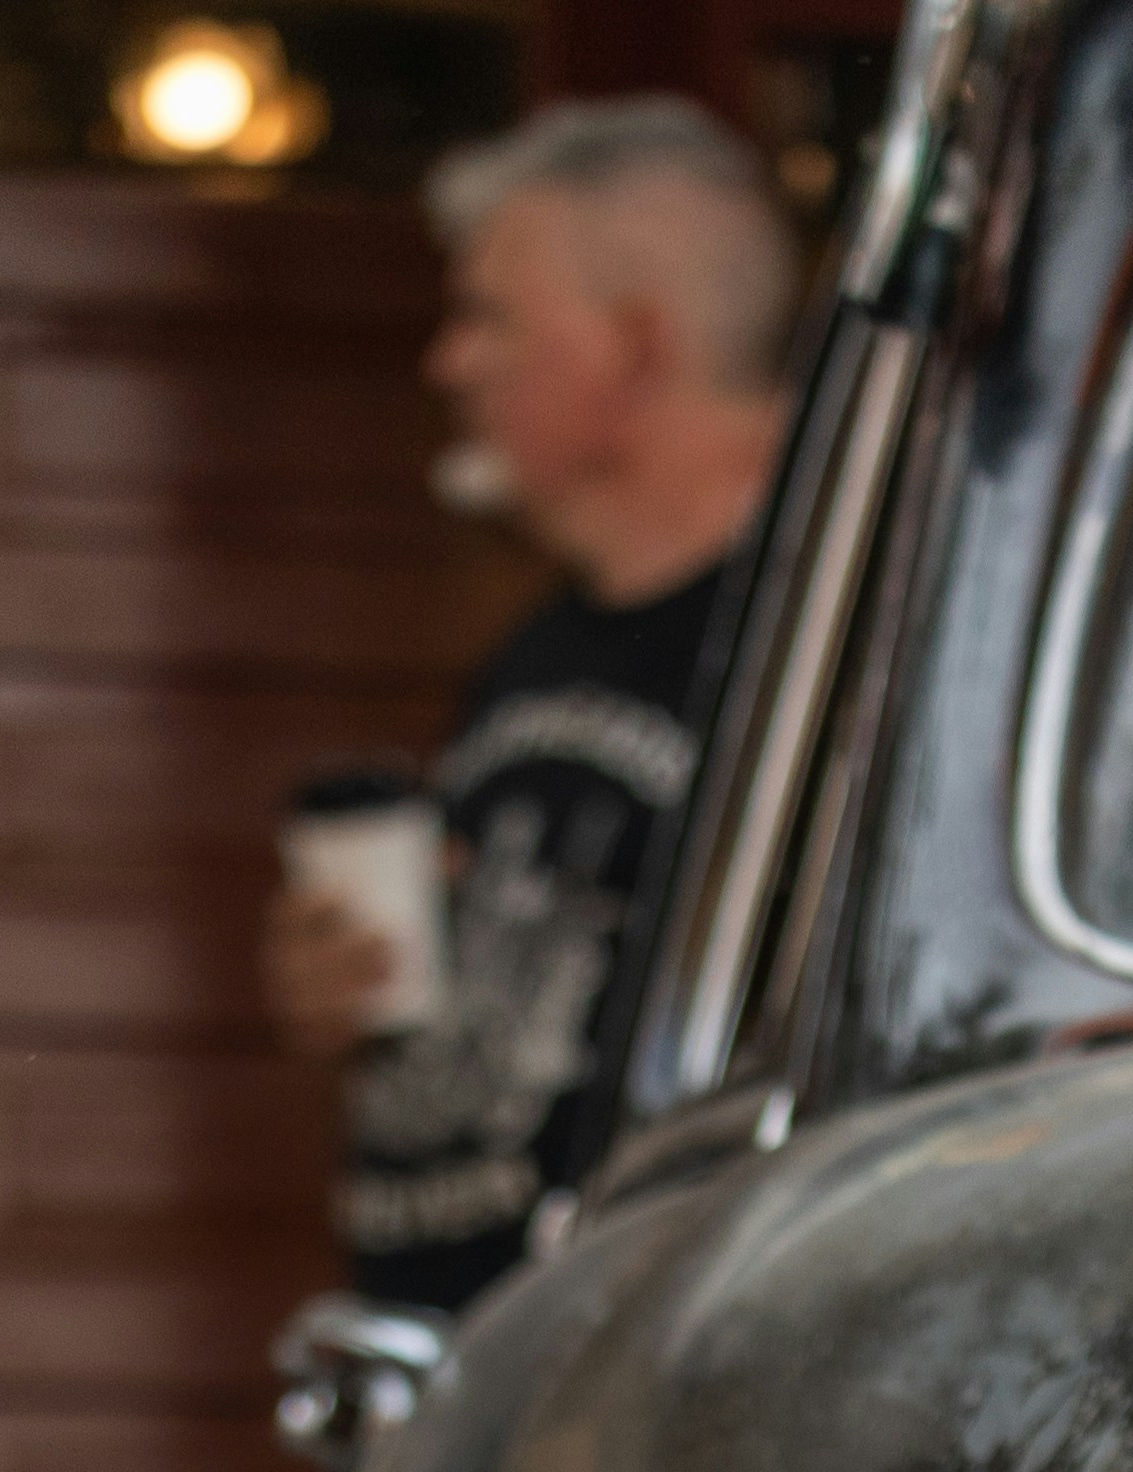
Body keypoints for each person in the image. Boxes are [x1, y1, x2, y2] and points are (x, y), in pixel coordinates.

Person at [263, 100, 796, 1322]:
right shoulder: (539, 652)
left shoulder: (838, 631)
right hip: (471, 1380)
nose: (449, 362)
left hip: (652, 1381)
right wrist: (342, 974)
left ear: (636, 345)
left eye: (489, 318)